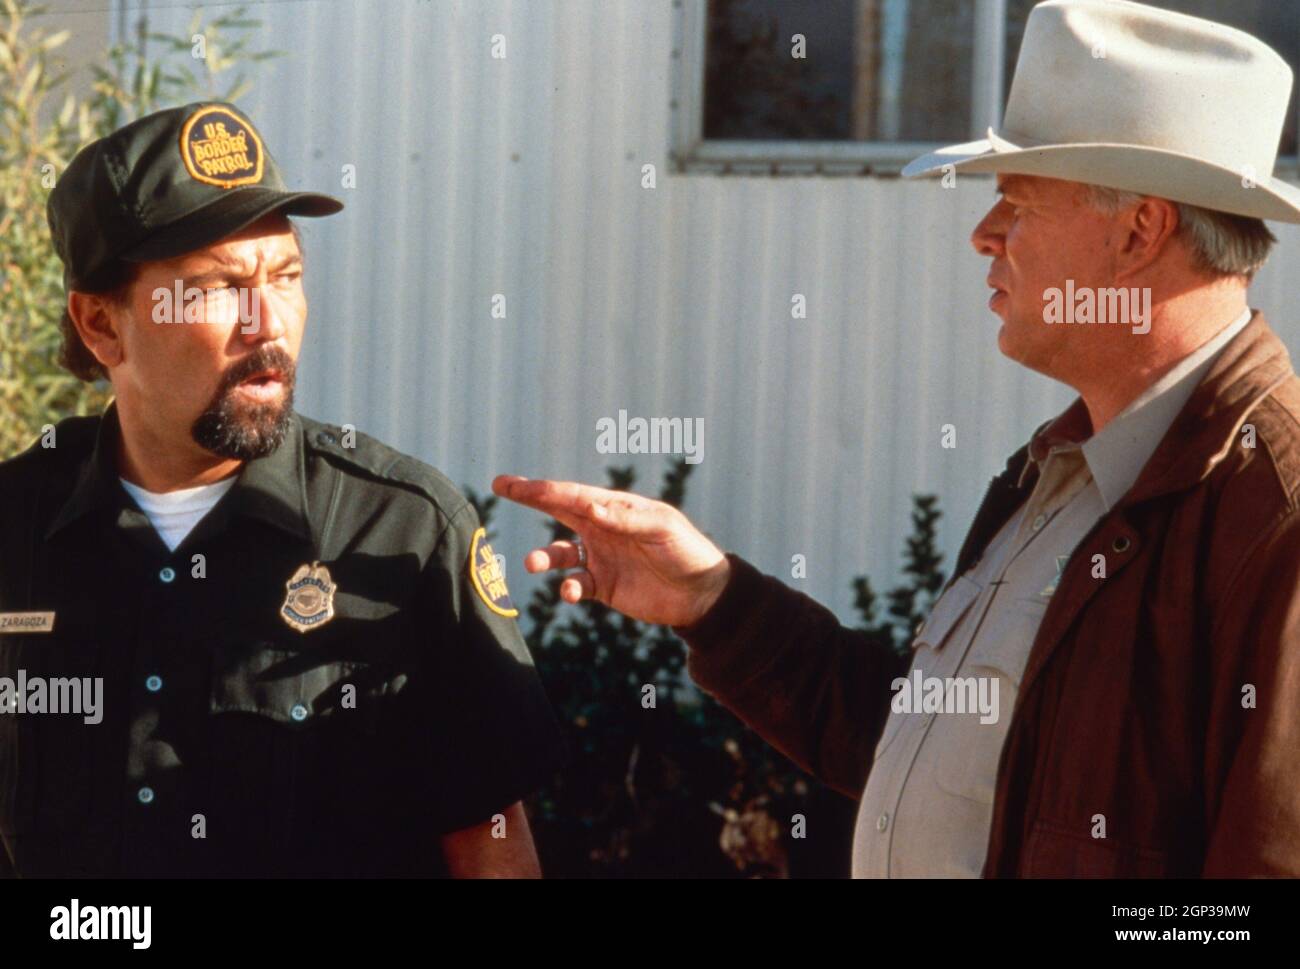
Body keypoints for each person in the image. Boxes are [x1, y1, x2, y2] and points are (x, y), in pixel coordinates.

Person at [492, 0, 1300, 876]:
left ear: (1139, 231)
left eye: (1018, 202)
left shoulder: (1274, 513)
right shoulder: (1061, 474)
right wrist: (714, 601)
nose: (984, 234)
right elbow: (927, 744)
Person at [0, 102, 564, 877]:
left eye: (287, 276)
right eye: (220, 287)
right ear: (102, 325)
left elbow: (494, 851)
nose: (269, 323)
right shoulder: (17, 532)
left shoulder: (402, 534)